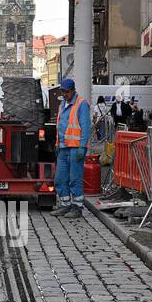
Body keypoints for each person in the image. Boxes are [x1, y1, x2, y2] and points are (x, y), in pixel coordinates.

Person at [55, 77, 90, 217]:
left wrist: (82, 146)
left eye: (67, 92)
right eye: (62, 91)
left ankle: (77, 207)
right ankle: (65, 205)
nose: (64, 94)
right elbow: (61, 126)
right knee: (60, 178)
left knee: (75, 178)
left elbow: (86, 126)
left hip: (76, 148)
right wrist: (57, 144)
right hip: (63, 148)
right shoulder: (62, 104)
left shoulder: (81, 104)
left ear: (73, 90)